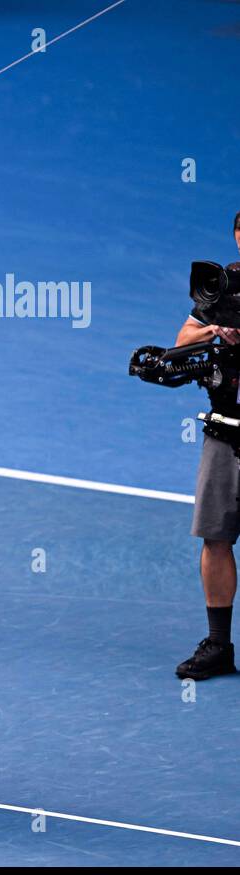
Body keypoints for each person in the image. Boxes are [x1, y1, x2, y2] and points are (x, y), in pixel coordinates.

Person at [173, 211, 240, 681]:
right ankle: (219, 645)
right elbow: (182, 340)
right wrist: (217, 330)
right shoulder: (223, 285)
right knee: (215, 537)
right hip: (226, 429)